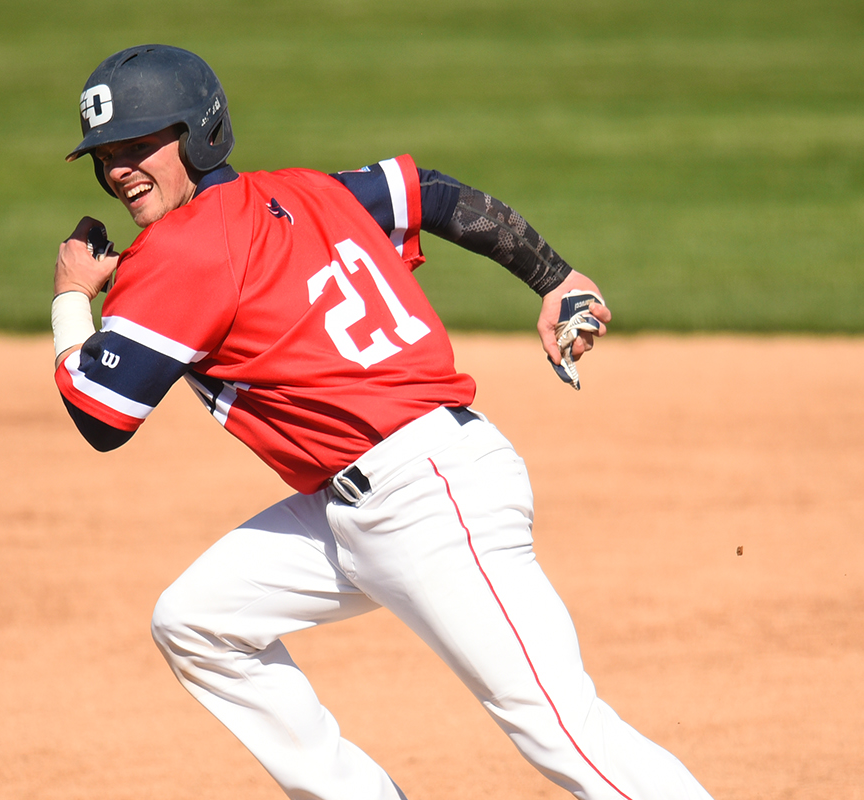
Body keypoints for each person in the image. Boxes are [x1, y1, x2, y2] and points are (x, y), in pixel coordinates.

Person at [48, 44, 714, 800]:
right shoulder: (305, 192)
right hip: (362, 502)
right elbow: (430, 193)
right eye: (106, 155)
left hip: (428, 501)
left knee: (559, 729)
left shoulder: (180, 249)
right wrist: (553, 276)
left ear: (199, 135)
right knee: (197, 621)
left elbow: (99, 416)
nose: (119, 171)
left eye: (139, 146)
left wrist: (72, 296)